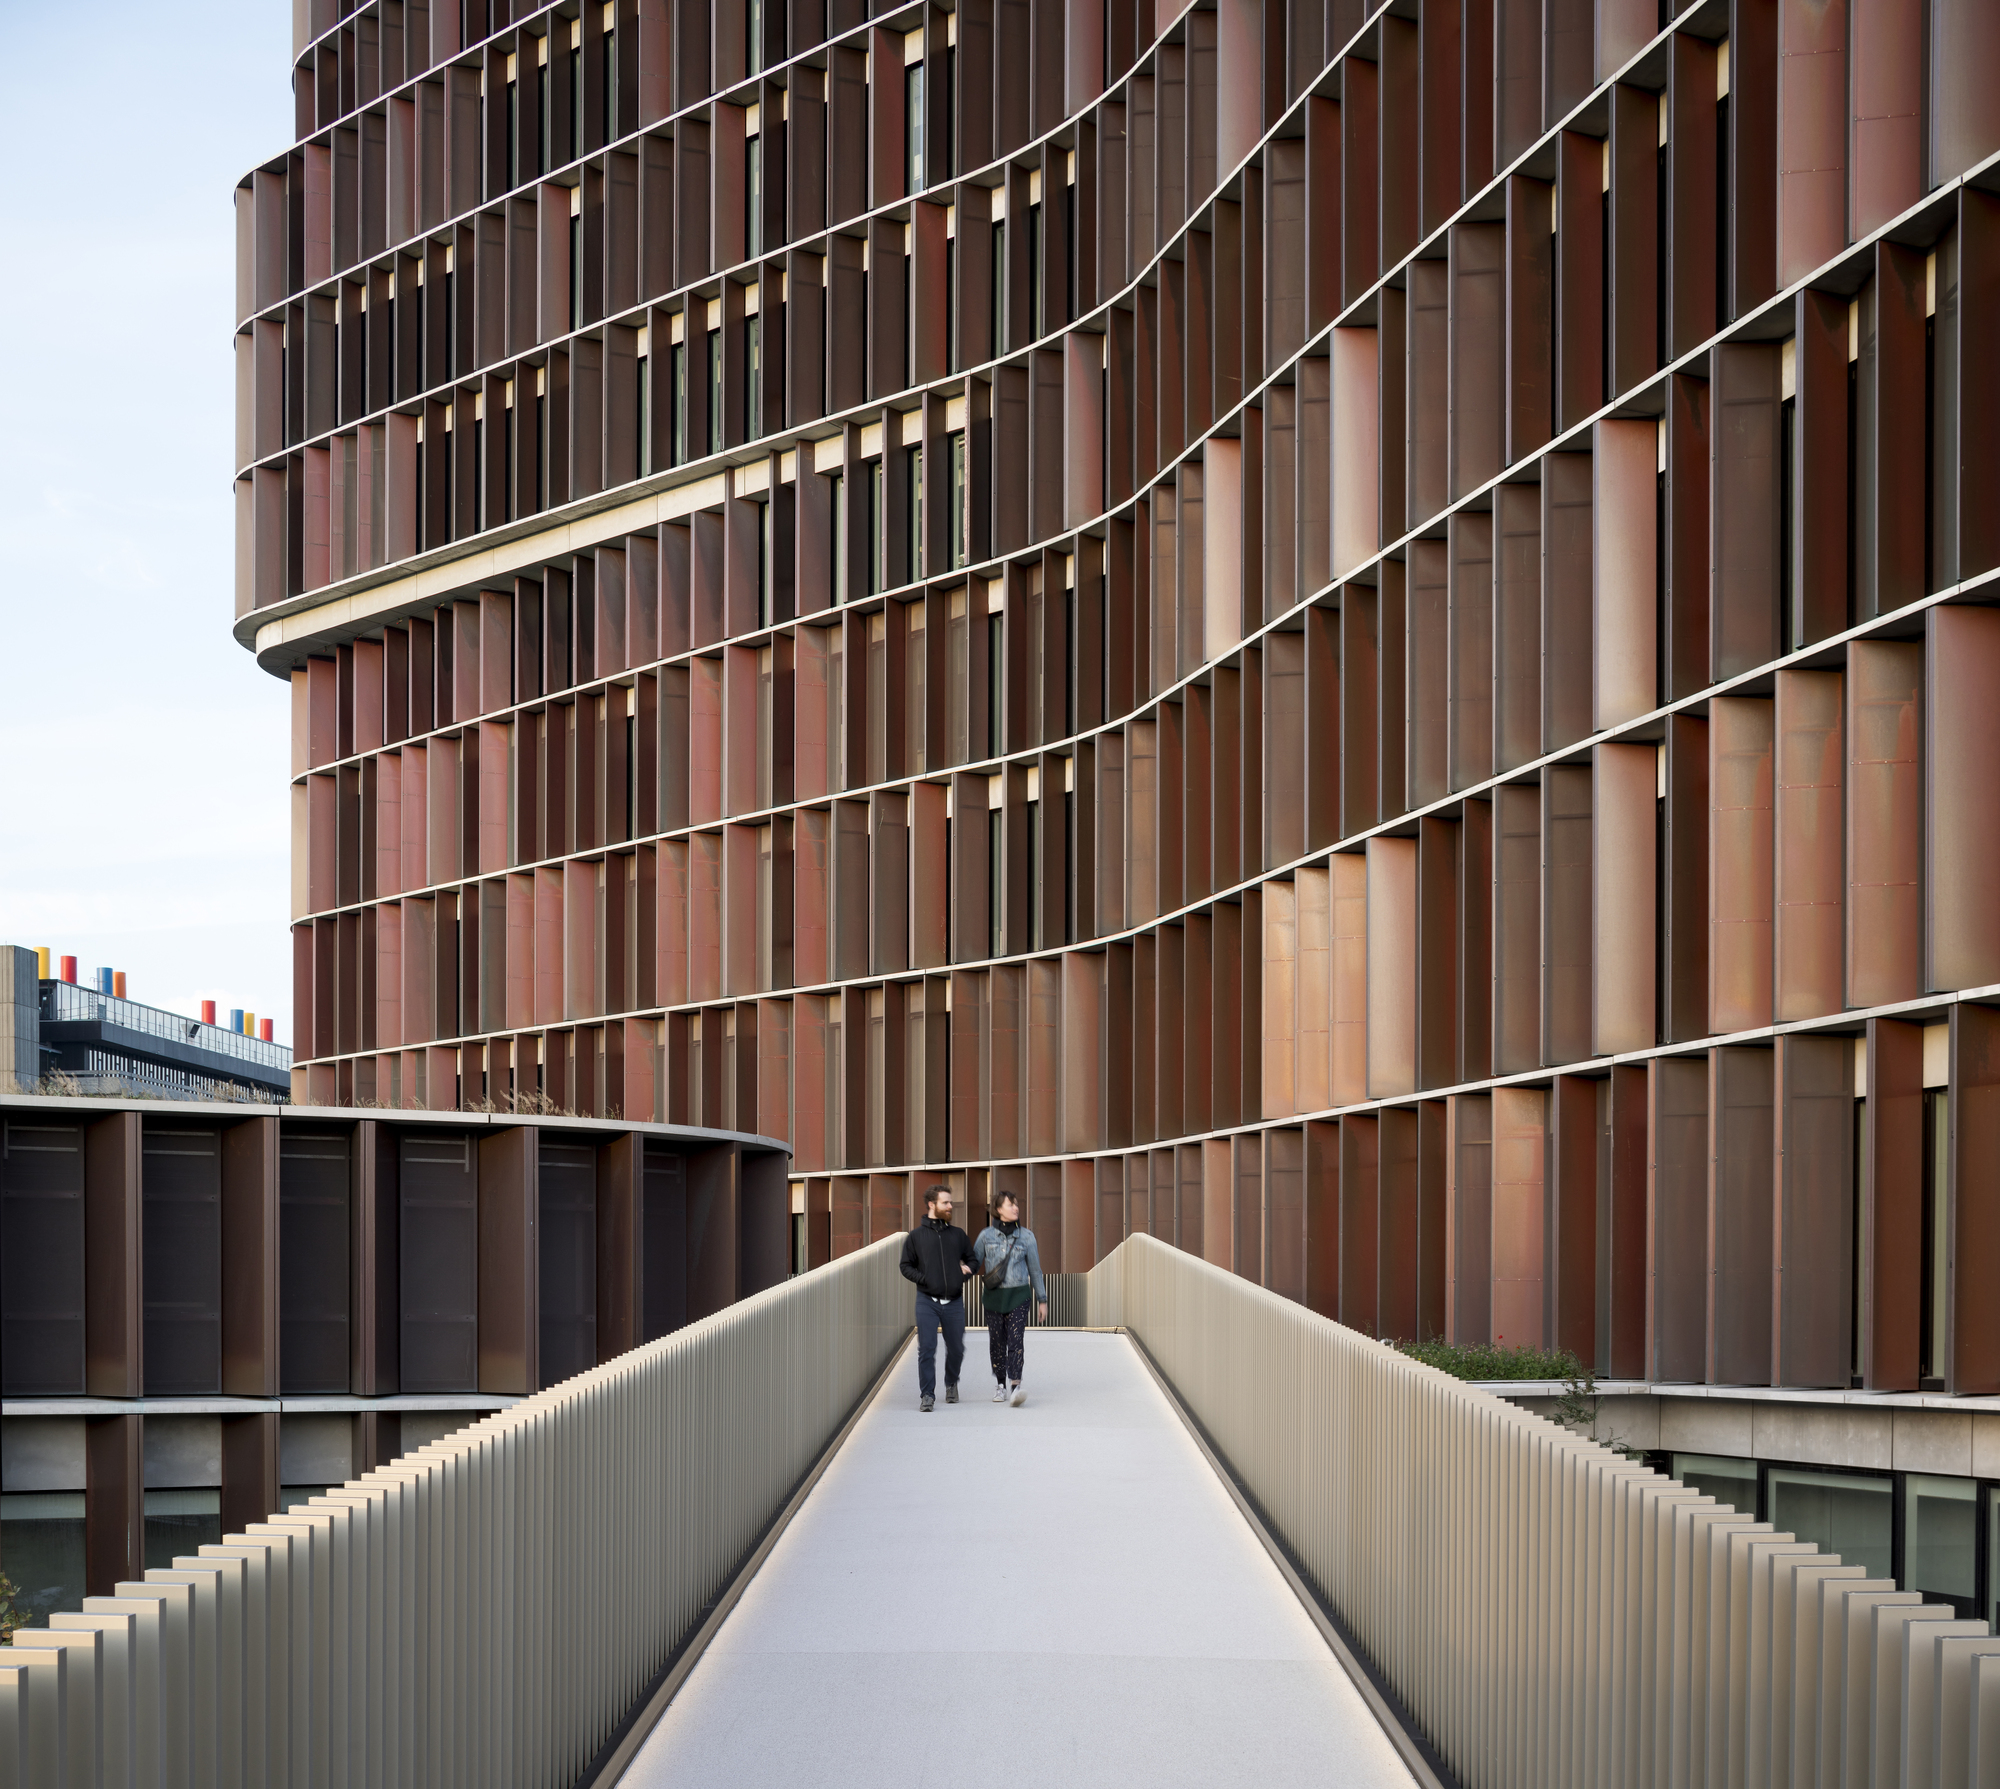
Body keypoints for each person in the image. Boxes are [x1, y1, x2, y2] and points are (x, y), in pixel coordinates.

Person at [899, 1184, 977, 1411]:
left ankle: (951, 1383)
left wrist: (964, 1273)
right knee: (927, 1349)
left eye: (950, 1202)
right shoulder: (916, 1237)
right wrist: (925, 1279)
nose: (950, 1206)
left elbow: (972, 1260)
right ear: (932, 1205)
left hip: (954, 1301)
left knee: (956, 1349)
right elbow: (905, 1266)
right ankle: (927, 1395)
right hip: (927, 1301)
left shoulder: (958, 1235)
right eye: (946, 1202)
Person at [973, 1191, 1046, 1406]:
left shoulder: (1027, 1236)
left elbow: (1035, 1270)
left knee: (1015, 1340)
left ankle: (1015, 1386)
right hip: (994, 1297)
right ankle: (1000, 1384)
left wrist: (1042, 1299)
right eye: (1010, 1205)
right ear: (998, 1210)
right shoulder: (986, 1236)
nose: (1016, 1208)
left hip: (1019, 1295)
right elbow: (973, 1262)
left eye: (1016, 1204)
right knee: (997, 1342)